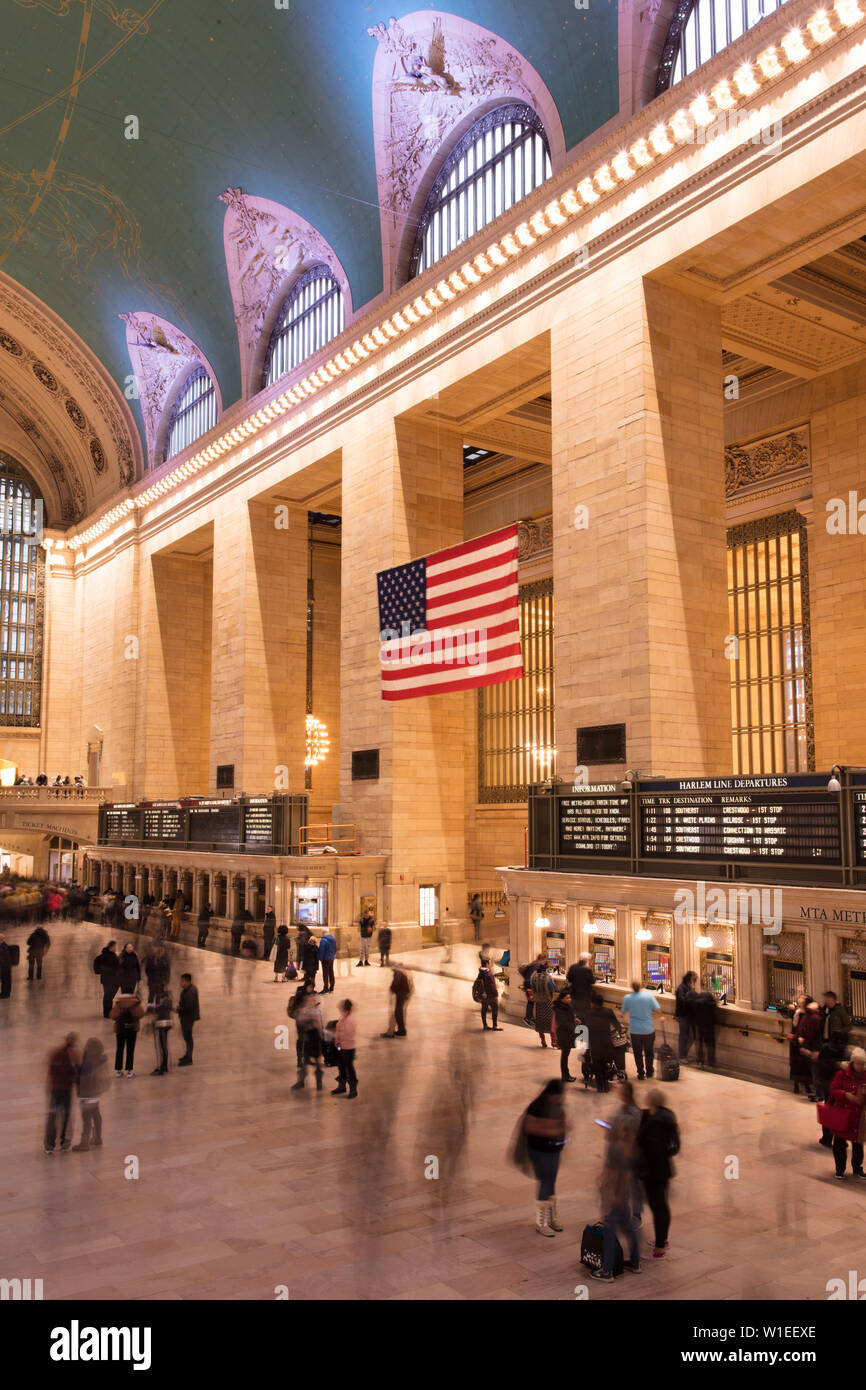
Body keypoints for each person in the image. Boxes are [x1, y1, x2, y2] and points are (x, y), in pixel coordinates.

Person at [592, 1105, 642, 1279]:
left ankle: (607, 1271)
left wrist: (614, 1194)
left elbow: (616, 1174)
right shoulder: (628, 1147)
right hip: (624, 1195)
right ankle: (635, 1262)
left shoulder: (615, 1149)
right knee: (628, 1228)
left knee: (609, 1232)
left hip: (614, 1197)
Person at [637, 1088, 681, 1257]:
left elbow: (651, 1148)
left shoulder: (657, 1124)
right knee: (660, 1205)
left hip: (655, 1171)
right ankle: (662, 1240)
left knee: (658, 1206)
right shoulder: (664, 1115)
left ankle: (660, 1248)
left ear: (651, 1101)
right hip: (662, 1168)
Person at [523, 1079, 569, 1237]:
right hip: (540, 1151)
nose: (562, 1098)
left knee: (551, 1182)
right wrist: (552, 1131)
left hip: (554, 1150)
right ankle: (541, 1222)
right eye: (559, 1095)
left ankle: (552, 1217)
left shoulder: (558, 1106)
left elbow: (562, 1124)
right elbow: (530, 1127)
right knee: (546, 1182)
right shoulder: (537, 1106)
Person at [826, 1047, 866, 1178]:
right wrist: (845, 1095)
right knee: (839, 1143)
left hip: (858, 1117)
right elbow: (833, 1090)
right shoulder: (842, 1074)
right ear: (853, 1062)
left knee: (858, 1144)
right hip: (843, 1115)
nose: (861, 1067)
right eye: (859, 1063)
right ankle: (840, 1169)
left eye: (863, 1064)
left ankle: (857, 1168)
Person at [44, 1032, 80, 1154]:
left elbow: (52, 1071)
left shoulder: (57, 1053)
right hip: (63, 1089)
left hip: (56, 1089)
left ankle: (50, 1144)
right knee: (64, 1116)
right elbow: (75, 1072)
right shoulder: (70, 1055)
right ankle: (62, 1142)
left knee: (54, 1116)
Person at [73, 1038, 110, 1151]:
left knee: (86, 1118)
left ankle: (84, 1143)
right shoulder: (101, 1059)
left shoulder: (88, 1063)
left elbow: (82, 1079)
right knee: (96, 1114)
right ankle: (98, 1137)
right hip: (97, 1093)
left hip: (87, 1094)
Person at [621, 980, 661, 1081]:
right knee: (649, 1052)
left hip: (635, 1031)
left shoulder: (628, 998)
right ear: (641, 987)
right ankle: (649, 1071)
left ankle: (640, 1073)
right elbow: (658, 1010)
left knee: (637, 1053)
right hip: (648, 1030)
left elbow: (623, 1013)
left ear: (632, 988)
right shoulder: (649, 996)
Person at [585, 992, 621, 1093]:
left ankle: (599, 1084)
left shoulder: (589, 1013)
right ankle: (605, 1083)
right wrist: (619, 1031)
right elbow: (616, 1025)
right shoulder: (608, 1011)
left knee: (597, 1064)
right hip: (606, 1042)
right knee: (605, 1063)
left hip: (595, 1043)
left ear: (593, 1003)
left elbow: (586, 1028)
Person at [291, 981, 324, 1090]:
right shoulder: (305, 1010)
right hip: (308, 1039)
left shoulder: (316, 1012)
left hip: (315, 1039)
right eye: (309, 1000)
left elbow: (319, 1025)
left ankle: (318, 1082)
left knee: (317, 1061)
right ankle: (301, 1081)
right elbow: (299, 1020)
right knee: (305, 1061)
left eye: (312, 1000)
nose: (311, 1001)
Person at [110, 987, 144, 1077]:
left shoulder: (118, 1003)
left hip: (120, 1029)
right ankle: (129, 1070)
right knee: (130, 1050)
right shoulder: (135, 1002)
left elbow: (113, 1015)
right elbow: (141, 1014)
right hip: (132, 1029)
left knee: (119, 1049)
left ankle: (118, 1070)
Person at [792, 997, 821, 1101]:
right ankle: (817, 1093)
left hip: (813, 1048)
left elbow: (815, 1035)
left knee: (816, 1072)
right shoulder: (807, 1016)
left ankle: (819, 1094)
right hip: (809, 1047)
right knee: (814, 1072)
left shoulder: (813, 1018)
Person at [332, 998, 358, 1098]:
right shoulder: (343, 1018)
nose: (340, 1011)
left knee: (348, 1068)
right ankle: (342, 1086)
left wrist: (335, 1034)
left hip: (348, 1049)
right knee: (341, 1066)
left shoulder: (350, 1021)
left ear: (346, 1010)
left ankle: (353, 1089)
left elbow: (347, 1035)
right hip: (340, 1047)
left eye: (342, 1009)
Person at [688, 986, 718, 1068]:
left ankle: (700, 1061)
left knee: (699, 1044)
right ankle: (711, 1062)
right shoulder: (710, 1003)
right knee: (710, 1044)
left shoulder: (696, 1003)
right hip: (709, 1026)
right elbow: (714, 1011)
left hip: (699, 1025)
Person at [552, 986, 577, 1081]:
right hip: (564, 1034)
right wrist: (572, 1027)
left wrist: (574, 1021)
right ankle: (565, 1076)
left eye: (570, 997)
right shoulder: (560, 1009)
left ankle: (566, 1075)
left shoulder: (565, 1007)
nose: (569, 999)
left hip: (567, 1033)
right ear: (562, 999)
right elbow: (563, 1022)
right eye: (567, 998)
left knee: (565, 1054)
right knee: (565, 1055)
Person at [381, 967, 412, 1037]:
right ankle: (401, 1030)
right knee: (399, 1013)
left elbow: (395, 984)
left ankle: (396, 1031)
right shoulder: (401, 973)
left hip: (401, 994)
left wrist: (391, 989)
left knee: (397, 1013)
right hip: (403, 994)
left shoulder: (398, 973)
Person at [176, 972, 200, 1066]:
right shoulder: (187, 989)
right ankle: (187, 1055)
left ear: (187, 981)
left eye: (182, 981)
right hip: (187, 1017)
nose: (181, 983)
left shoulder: (191, 991)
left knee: (188, 1037)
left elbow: (188, 1007)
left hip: (188, 1018)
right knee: (187, 1037)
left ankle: (189, 1058)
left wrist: (179, 1009)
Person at [148, 988, 173, 1074]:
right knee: (164, 1045)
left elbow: (159, 1009)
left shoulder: (159, 998)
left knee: (159, 1046)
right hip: (167, 1023)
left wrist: (152, 1007)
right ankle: (165, 1065)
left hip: (160, 1024)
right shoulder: (168, 997)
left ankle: (160, 1067)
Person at [530, 959, 554, 1048]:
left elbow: (532, 987)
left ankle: (543, 1041)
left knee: (540, 1022)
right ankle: (553, 1042)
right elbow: (552, 989)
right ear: (546, 969)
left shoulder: (533, 976)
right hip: (547, 1001)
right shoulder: (548, 977)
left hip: (538, 1001)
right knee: (550, 1022)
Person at [93, 940, 120, 1019]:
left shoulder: (114, 955)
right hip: (107, 979)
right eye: (115, 946)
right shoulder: (104, 955)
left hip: (114, 980)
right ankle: (107, 1013)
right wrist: (101, 971)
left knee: (110, 996)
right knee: (108, 996)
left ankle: (108, 1011)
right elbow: (96, 962)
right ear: (111, 947)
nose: (116, 948)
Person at [675, 971, 697, 1061]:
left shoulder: (688, 987)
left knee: (691, 1036)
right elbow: (683, 1001)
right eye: (694, 979)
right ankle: (682, 1056)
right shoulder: (681, 988)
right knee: (684, 1036)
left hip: (688, 1015)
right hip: (683, 1015)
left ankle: (684, 1054)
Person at [476, 957, 502, 1031]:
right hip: (491, 995)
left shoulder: (481, 972)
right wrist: (495, 993)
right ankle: (495, 1026)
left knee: (484, 1009)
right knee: (495, 1009)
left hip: (484, 995)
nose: (491, 964)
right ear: (487, 964)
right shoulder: (488, 973)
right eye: (490, 963)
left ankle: (485, 1025)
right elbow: (491, 985)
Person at [519, 956, 542, 1027]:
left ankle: (530, 1018)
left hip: (527, 984)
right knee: (531, 1002)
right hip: (530, 985)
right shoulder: (538, 965)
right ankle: (527, 1018)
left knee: (531, 1001)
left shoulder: (534, 963)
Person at [317, 926, 337, 993]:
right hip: (331, 958)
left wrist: (320, 958)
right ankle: (331, 987)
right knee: (331, 972)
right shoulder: (333, 939)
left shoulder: (323, 940)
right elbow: (335, 949)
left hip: (325, 959)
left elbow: (321, 950)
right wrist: (332, 955)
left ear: (323, 932)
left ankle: (325, 988)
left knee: (325, 973)